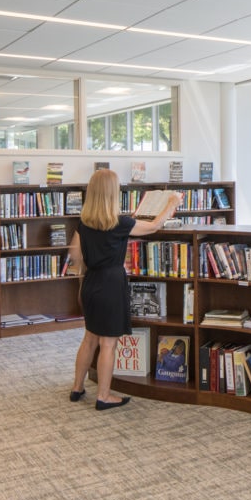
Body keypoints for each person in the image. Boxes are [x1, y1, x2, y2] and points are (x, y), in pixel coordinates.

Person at [69, 169, 180, 410]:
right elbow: (153, 226)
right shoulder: (120, 223)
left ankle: (77, 387)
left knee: (89, 339)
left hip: (90, 283)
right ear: (112, 193)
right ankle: (104, 396)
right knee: (109, 343)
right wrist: (171, 203)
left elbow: (75, 254)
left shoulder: (83, 223)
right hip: (111, 284)